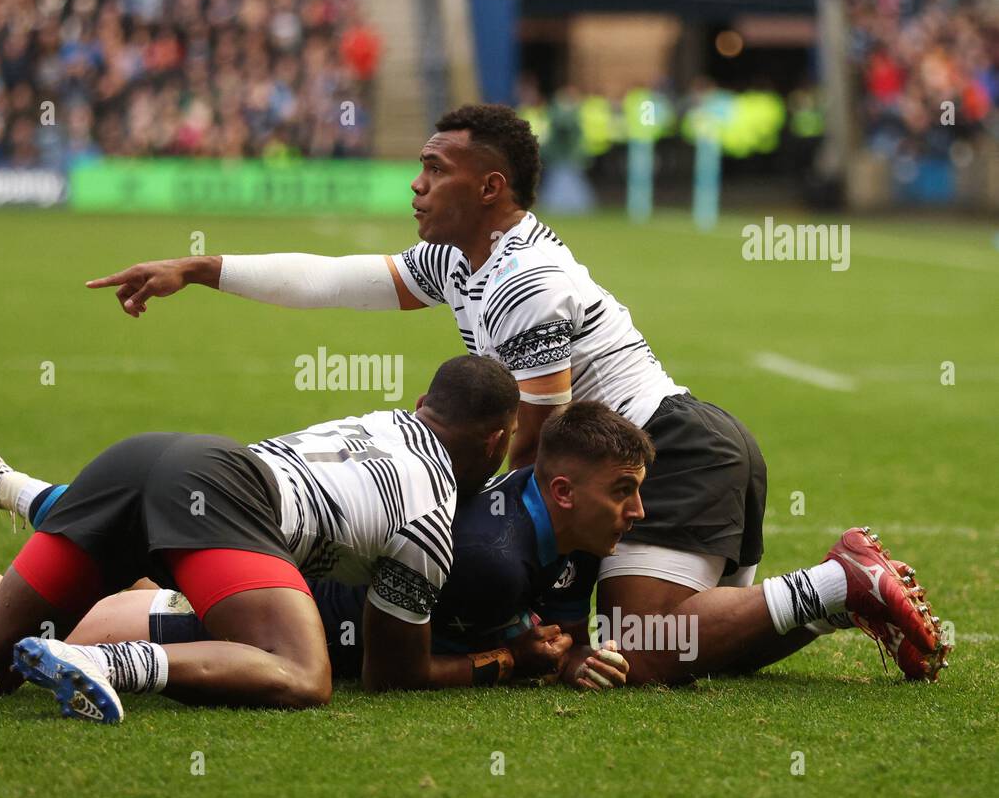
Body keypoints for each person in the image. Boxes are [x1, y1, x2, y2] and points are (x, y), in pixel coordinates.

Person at [82, 103, 949, 681]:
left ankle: (841, 583)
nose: (415, 185)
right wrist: (199, 269)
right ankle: (845, 594)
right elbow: (341, 279)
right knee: (686, 646)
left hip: (661, 454)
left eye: (434, 169)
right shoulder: (468, 261)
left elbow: (532, 446)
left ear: (489, 187)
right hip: (668, 447)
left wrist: (449, 549)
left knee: (643, 647)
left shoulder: (524, 280)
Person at [0, 357, 531, 721]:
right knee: (305, 673)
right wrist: (503, 662)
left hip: (140, 459)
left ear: (427, 402)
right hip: (221, 495)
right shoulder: (433, 509)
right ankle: (97, 661)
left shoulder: (381, 418)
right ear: (495, 440)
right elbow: (392, 674)